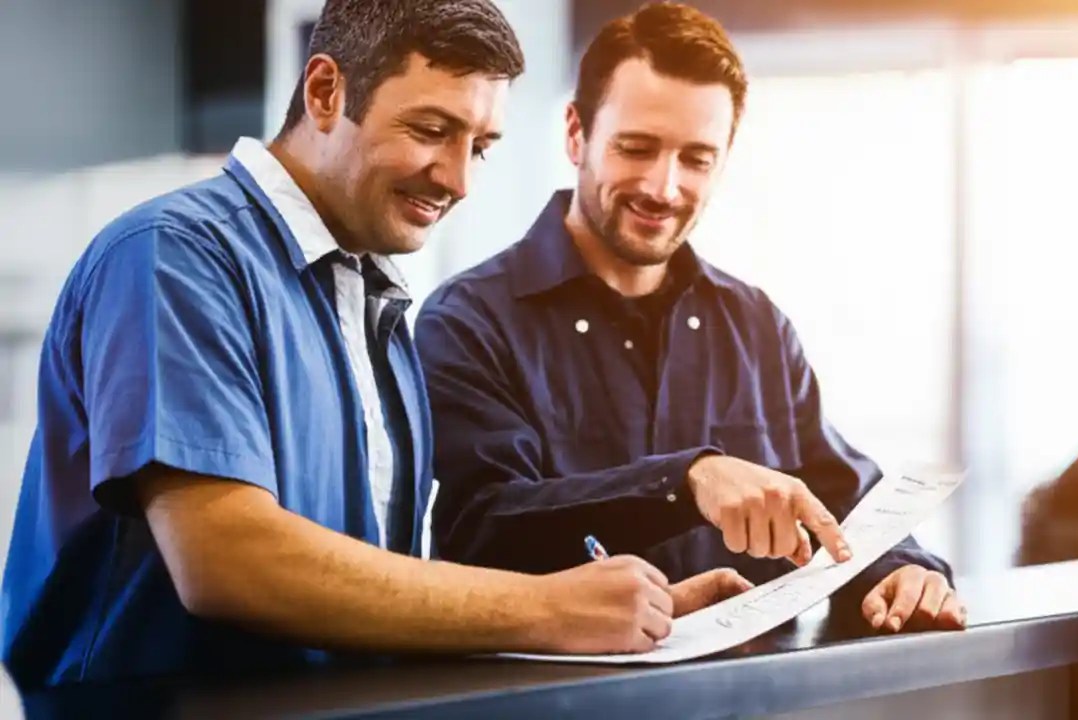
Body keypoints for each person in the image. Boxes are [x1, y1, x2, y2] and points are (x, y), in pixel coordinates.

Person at [0, 0, 750, 690]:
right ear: (325, 92)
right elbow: (228, 560)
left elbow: (376, 595)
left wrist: (625, 625)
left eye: (480, 146)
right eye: (430, 131)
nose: (457, 179)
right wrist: (549, 608)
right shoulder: (177, 255)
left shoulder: (376, 312)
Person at [416, 1, 965, 634]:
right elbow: (482, 533)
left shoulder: (756, 325)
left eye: (696, 159)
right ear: (575, 133)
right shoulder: (468, 322)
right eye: (636, 148)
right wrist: (686, 480)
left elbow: (843, 496)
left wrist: (901, 566)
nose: (663, 187)